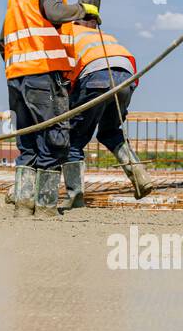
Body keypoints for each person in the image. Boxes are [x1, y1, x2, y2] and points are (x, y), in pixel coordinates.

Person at [0, 0, 97, 218]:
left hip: (17, 78)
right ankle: (45, 208)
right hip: (43, 76)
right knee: (54, 138)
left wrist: (17, 67)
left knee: (27, 141)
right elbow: (54, 13)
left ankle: (23, 207)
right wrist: (83, 10)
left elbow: (1, 41)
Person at [61, 18, 154, 208]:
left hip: (95, 76)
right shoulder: (103, 35)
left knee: (73, 140)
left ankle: (75, 197)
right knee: (110, 131)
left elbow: (64, 77)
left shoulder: (66, 34)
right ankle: (140, 177)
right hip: (127, 77)